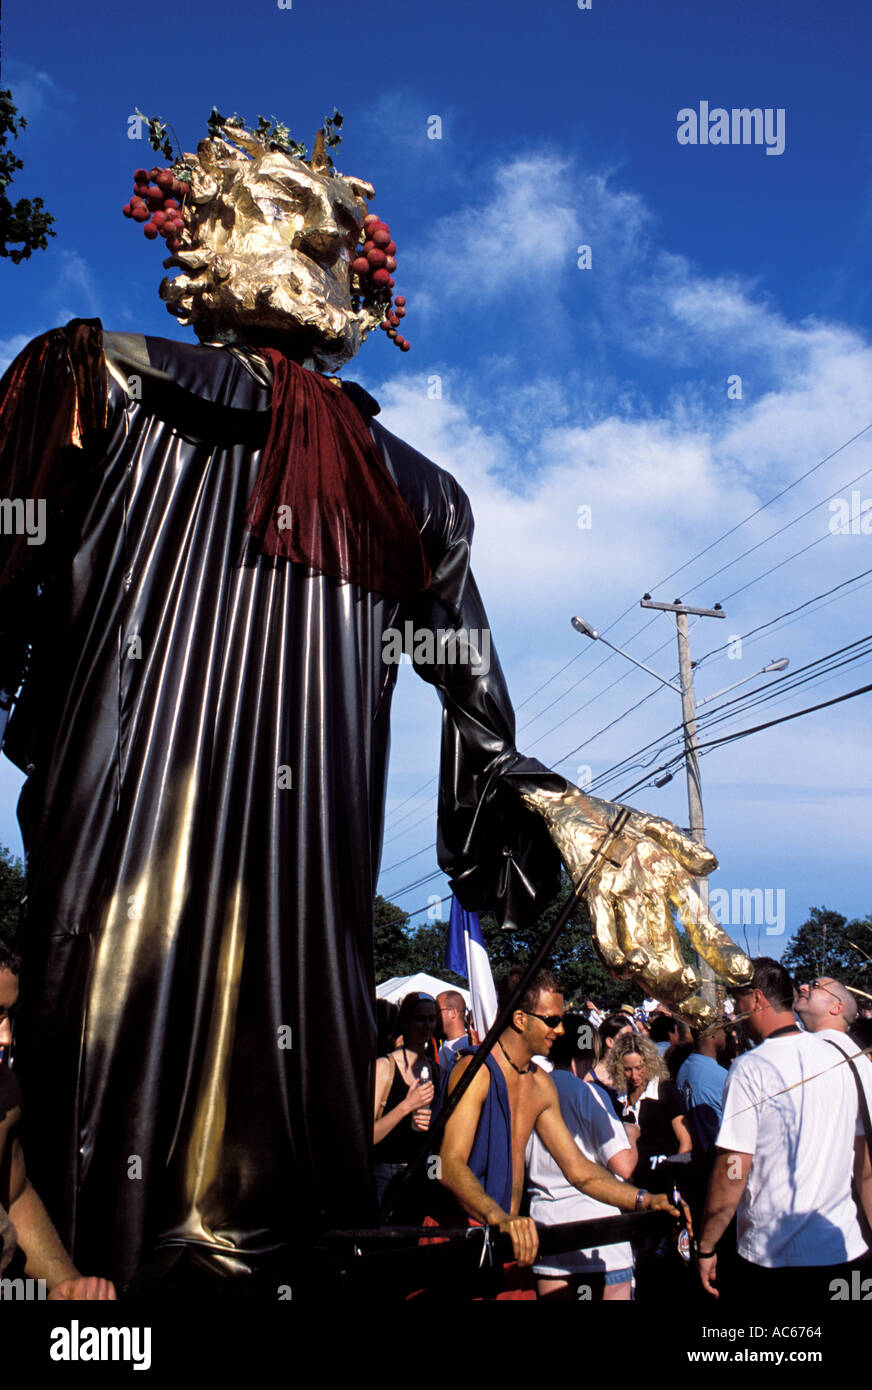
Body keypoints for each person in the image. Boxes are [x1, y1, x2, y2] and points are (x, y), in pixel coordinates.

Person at [0, 112, 750, 1286]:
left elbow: (478, 721)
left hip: (170, 870)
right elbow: (481, 728)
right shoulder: (113, 392)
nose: (322, 243)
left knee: (151, 1171)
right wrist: (554, 810)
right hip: (210, 877)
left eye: (331, 228)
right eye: (296, 213)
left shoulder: (105, 384)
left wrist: (579, 821)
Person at [437, 967, 681, 1284]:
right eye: (552, 1020)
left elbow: (579, 1170)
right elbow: (447, 1164)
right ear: (520, 1019)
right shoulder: (475, 1071)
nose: (561, 1030)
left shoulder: (540, 1084)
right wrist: (497, 1216)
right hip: (462, 1236)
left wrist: (645, 1200)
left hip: (508, 1238)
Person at [697, 957, 872, 1301]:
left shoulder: (750, 1067)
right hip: (844, 1248)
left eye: (737, 1001)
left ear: (756, 999)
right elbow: (863, 1161)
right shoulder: (843, 1059)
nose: (736, 1013)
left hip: (774, 1259)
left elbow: (734, 1167)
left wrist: (706, 1245)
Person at [0, 943, 115, 1299]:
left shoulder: (4, 1092)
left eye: (7, 1015)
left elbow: (14, 1194)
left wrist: (69, 1283)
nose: (5, 1037)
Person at [526, 1013, 635, 1300]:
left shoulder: (528, 1093)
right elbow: (623, 1165)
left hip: (549, 1232)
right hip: (599, 1233)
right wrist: (632, 1136)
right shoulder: (589, 1093)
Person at [372, 992, 439, 1206]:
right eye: (420, 1019)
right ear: (405, 1022)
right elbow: (367, 1136)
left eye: (432, 1019)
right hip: (386, 1170)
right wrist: (406, 1106)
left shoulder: (437, 1071)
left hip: (423, 1169)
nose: (427, 1026)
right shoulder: (385, 1067)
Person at [609, 1033, 692, 1184]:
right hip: (633, 1183)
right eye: (627, 1069)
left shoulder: (664, 1090)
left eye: (639, 1068)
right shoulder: (618, 1099)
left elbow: (685, 1142)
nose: (634, 1076)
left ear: (649, 1063)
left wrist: (676, 1179)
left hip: (665, 1180)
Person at [676, 1021, 730, 1154]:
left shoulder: (684, 1068)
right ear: (712, 1034)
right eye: (722, 1029)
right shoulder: (719, 1075)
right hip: (719, 1155)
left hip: (698, 1156)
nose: (725, 1034)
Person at [588, 1013, 636, 1118]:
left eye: (633, 1037)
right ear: (610, 1042)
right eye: (626, 1038)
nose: (632, 1043)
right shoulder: (588, 1077)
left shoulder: (634, 1073)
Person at [436, 991, 470, 1071]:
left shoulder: (469, 1045)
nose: (434, 1014)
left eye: (437, 1010)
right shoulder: (442, 1046)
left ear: (453, 1013)